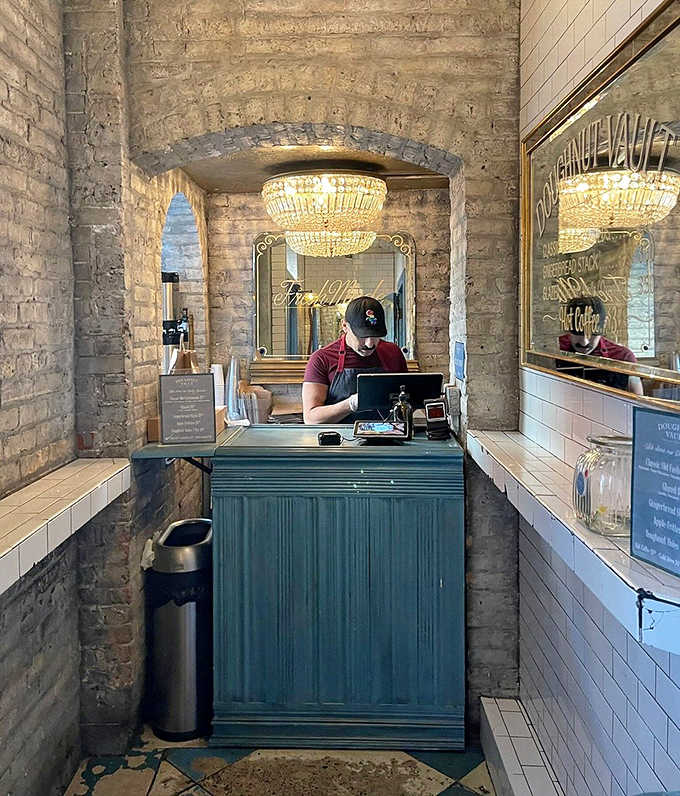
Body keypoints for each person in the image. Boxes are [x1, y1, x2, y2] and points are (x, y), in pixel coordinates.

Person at [302, 296, 408, 424]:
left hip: (389, 433)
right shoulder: (321, 359)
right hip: (339, 435)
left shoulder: (393, 352)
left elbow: (408, 398)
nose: (370, 344)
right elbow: (311, 418)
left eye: (375, 336)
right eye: (362, 336)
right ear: (345, 326)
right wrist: (351, 404)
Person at [557, 296, 643, 395]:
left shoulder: (623, 357)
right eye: (577, 333)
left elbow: (638, 401)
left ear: (604, 325)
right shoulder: (552, 351)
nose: (584, 342)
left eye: (593, 333)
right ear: (567, 326)